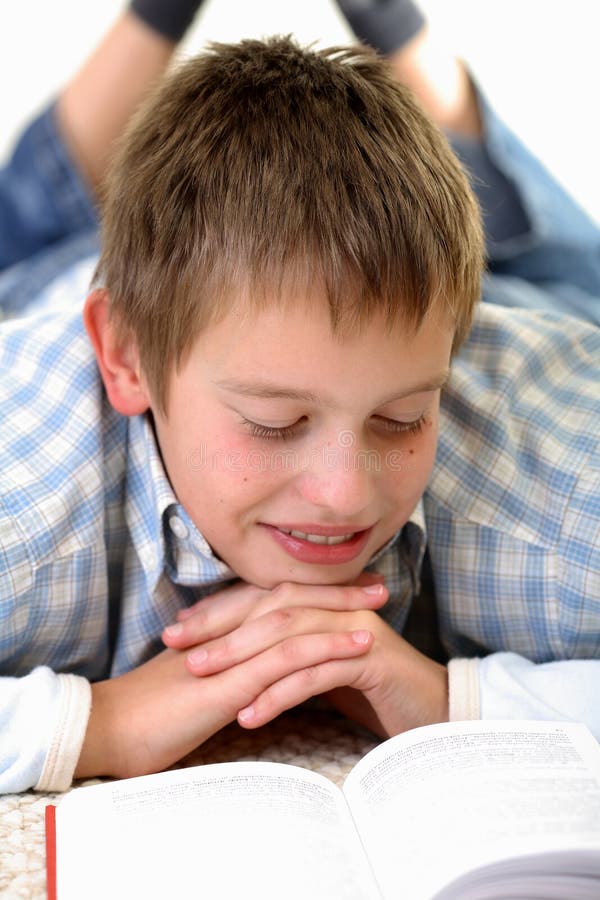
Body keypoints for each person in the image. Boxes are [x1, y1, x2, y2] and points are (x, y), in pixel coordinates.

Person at [0, 2, 598, 796]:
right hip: (59, 293)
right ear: (124, 357)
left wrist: (452, 702)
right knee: (25, 228)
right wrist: (98, 723)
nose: (344, 495)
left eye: (403, 417)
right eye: (274, 422)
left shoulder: (559, 481)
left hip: (518, 303)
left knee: (549, 266)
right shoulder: (25, 489)